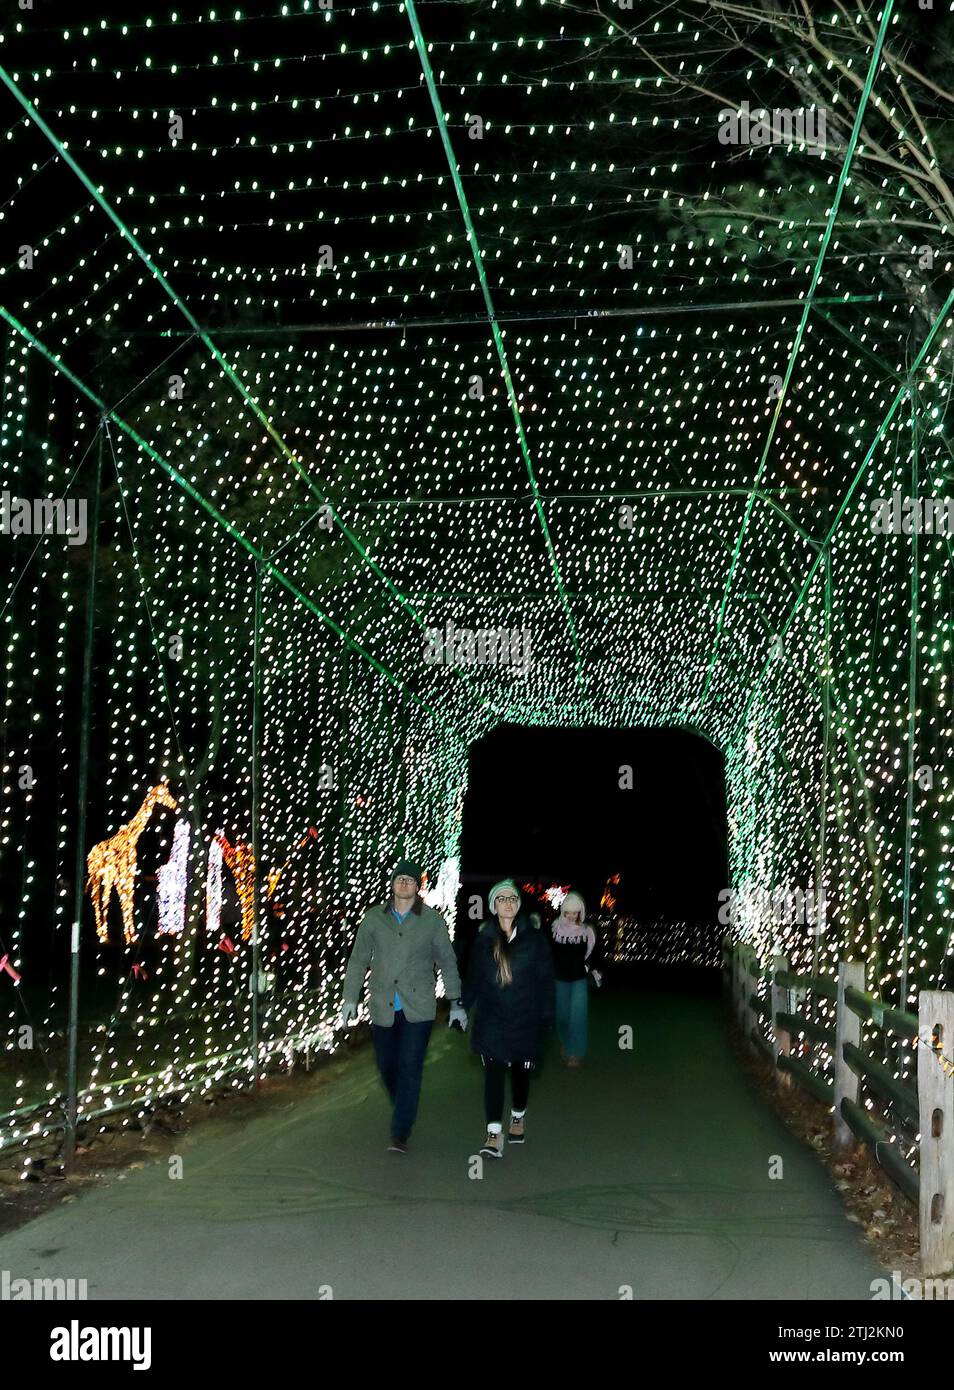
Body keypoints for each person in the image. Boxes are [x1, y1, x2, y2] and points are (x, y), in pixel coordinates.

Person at [339, 859, 467, 1153]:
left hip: (417, 1008)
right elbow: (358, 960)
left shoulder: (432, 920)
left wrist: (456, 1002)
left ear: (417, 886)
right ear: (393, 883)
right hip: (383, 1007)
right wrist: (350, 998)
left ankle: (400, 1132)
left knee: (410, 1067)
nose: (404, 883)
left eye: (410, 879)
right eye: (400, 879)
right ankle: (405, 1107)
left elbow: (447, 961)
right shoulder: (374, 918)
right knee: (387, 1066)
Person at [461, 878, 555, 1159]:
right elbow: (474, 978)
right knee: (493, 1074)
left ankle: (517, 1115)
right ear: (493, 906)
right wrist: (462, 1007)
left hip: (525, 1018)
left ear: (518, 904)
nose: (508, 903)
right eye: (502, 899)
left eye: (512, 899)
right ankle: (493, 1134)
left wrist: (546, 1015)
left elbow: (546, 980)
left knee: (520, 1073)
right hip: (492, 1018)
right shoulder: (483, 940)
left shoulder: (535, 940)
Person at [549, 889, 602, 1067]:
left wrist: (587, 967)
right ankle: (566, 1042)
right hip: (559, 978)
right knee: (562, 1016)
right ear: (563, 911)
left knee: (577, 1015)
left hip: (579, 979)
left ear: (581, 912)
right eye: (568, 912)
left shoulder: (588, 931)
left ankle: (575, 1053)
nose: (572, 916)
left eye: (575, 912)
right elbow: (549, 953)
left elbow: (595, 953)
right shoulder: (555, 928)